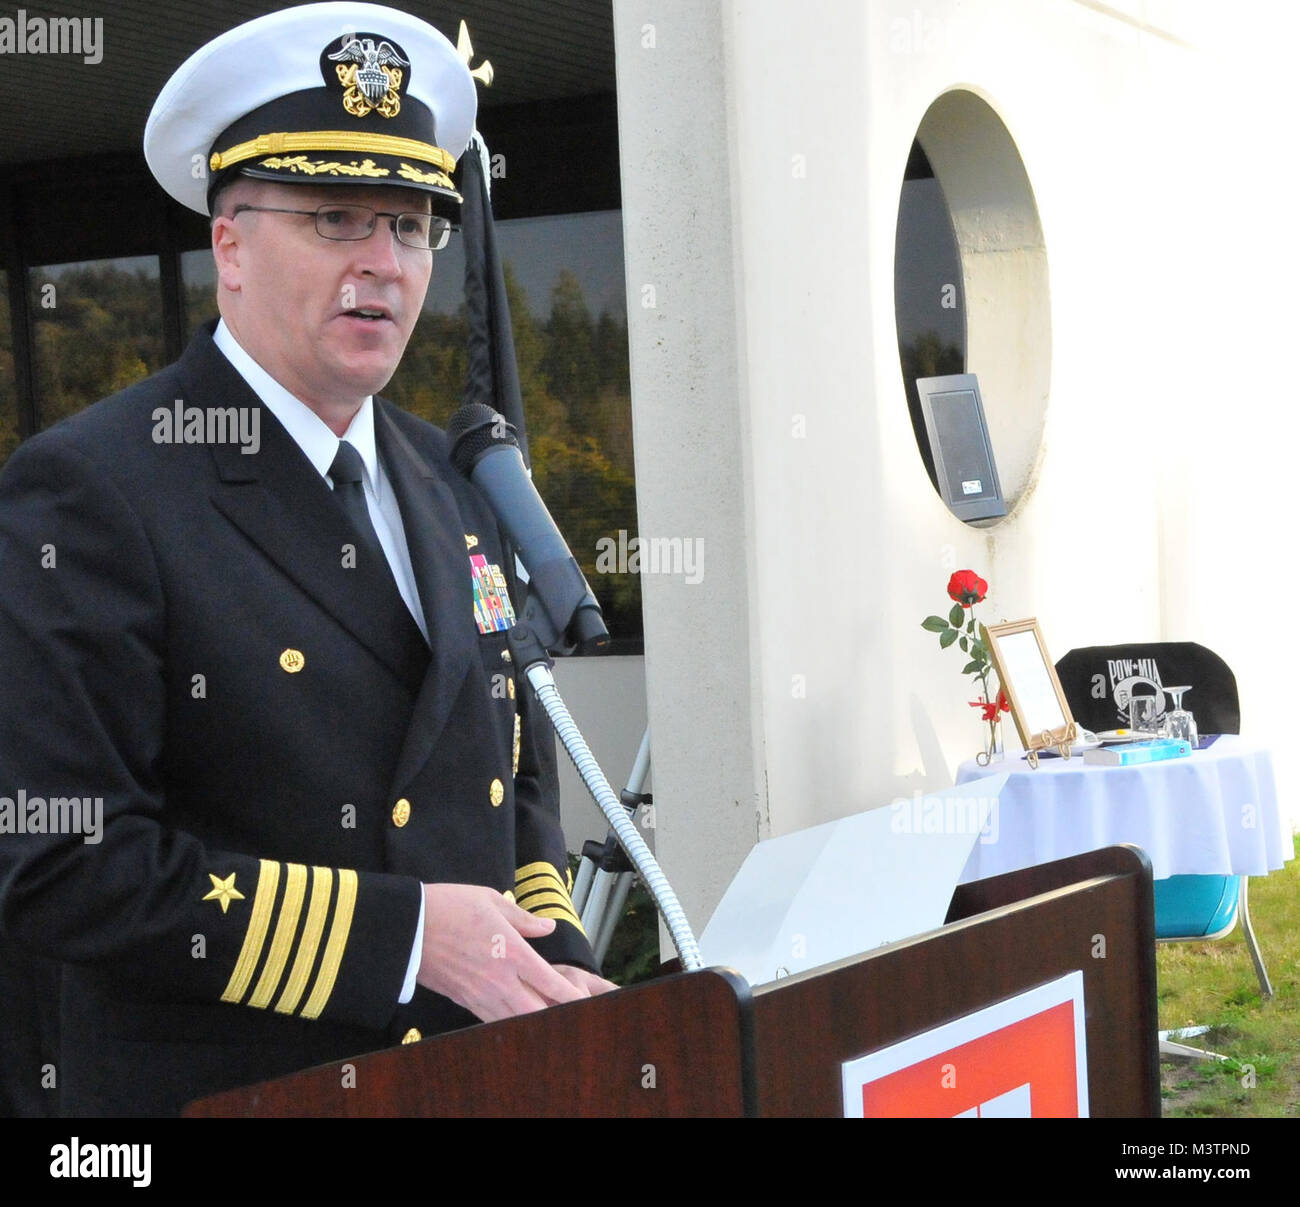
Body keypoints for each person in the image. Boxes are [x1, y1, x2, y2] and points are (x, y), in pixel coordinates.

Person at [0, 3, 613, 1118]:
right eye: (335, 217)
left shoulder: (454, 479)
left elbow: (513, 775)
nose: (383, 263)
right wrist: (412, 937)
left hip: (466, 1081)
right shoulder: (95, 487)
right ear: (228, 243)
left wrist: (544, 959)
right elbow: (62, 864)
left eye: (412, 225)